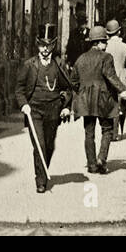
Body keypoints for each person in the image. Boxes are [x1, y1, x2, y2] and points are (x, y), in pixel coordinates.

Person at [16, 24, 74, 193]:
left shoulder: (59, 64)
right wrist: (24, 105)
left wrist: (66, 107)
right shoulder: (29, 65)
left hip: (53, 111)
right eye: (42, 45)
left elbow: (68, 88)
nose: (45, 49)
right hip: (33, 111)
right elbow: (19, 89)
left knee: (49, 146)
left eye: (48, 45)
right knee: (40, 145)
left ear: (53, 45)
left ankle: (43, 170)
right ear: (37, 45)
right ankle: (40, 180)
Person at [70, 25, 126, 174]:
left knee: (88, 133)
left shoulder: (81, 58)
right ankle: (101, 159)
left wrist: (82, 93)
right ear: (98, 42)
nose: (106, 44)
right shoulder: (106, 57)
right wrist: (123, 90)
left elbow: (73, 81)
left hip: (86, 101)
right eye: (105, 41)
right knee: (107, 130)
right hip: (104, 99)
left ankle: (91, 164)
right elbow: (111, 76)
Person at [104, 20, 126, 139]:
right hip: (122, 78)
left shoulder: (105, 47)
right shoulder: (125, 47)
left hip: (107, 78)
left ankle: (111, 131)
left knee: (110, 105)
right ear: (118, 32)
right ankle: (119, 131)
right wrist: (124, 71)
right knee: (121, 106)